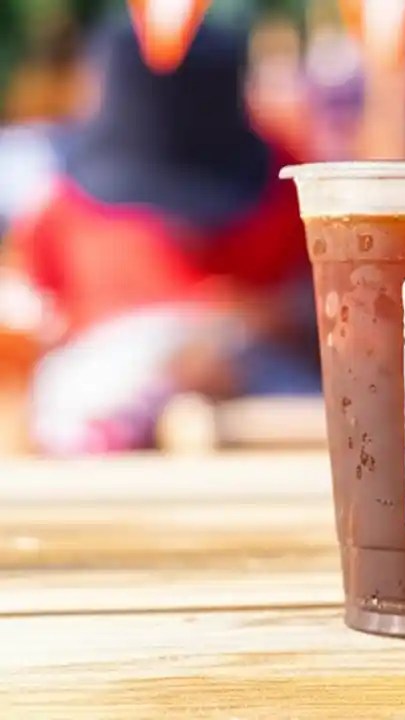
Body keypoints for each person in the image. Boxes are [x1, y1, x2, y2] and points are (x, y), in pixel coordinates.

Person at [3, 21, 318, 454]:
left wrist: (254, 326)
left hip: (264, 420)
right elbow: (32, 340)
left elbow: (330, 330)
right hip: (104, 437)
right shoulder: (60, 210)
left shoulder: (291, 189)